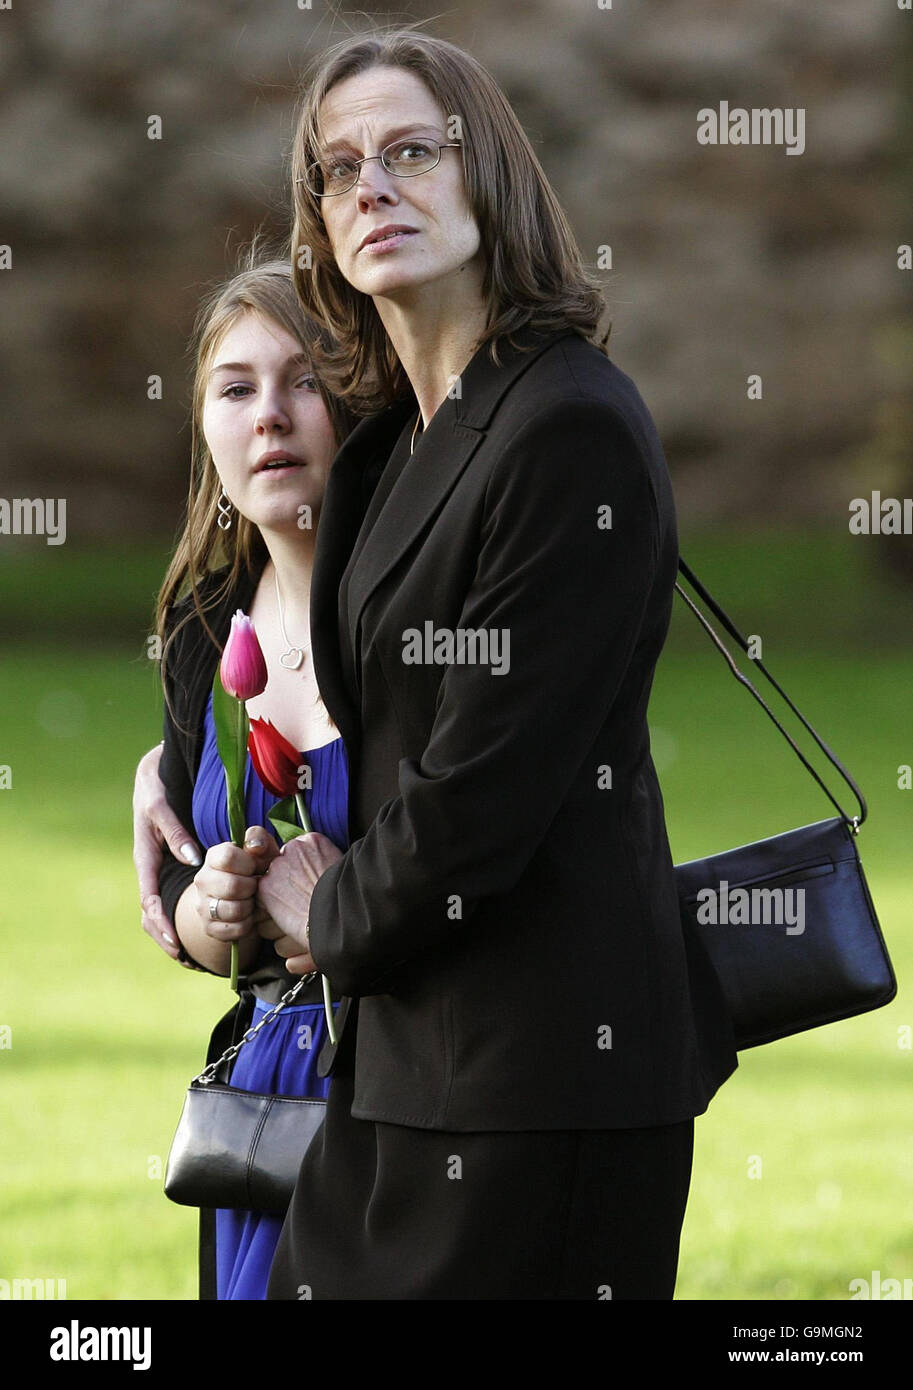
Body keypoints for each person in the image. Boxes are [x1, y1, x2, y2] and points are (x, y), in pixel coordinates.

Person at [135, 25, 738, 1300]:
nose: (373, 187)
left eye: (412, 150)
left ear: (489, 180)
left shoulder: (564, 426)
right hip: (408, 1064)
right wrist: (193, 775)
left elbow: (481, 790)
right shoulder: (401, 445)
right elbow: (377, 705)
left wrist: (322, 909)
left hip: (544, 1075)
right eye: (339, 169)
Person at [147, 251, 358, 1299]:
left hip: (393, 1088)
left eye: (305, 380)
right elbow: (182, 892)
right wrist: (213, 909)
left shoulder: (401, 620)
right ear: (210, 431)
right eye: (236, 389)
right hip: (262, 1110)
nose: (269, 414)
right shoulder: (201, 633)